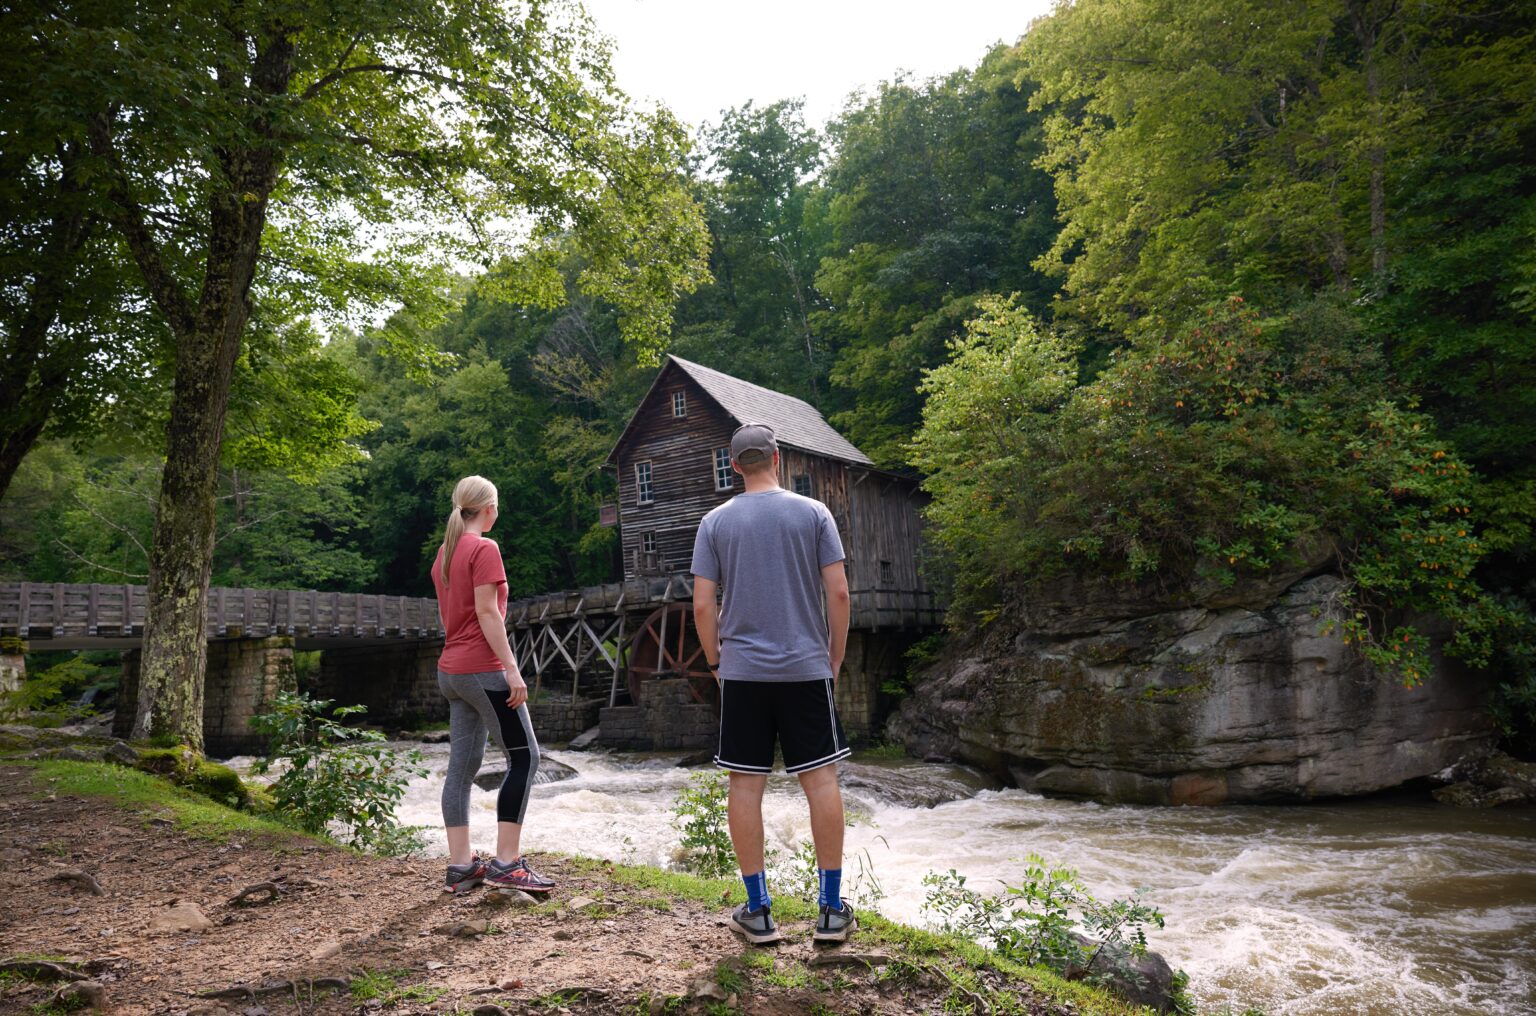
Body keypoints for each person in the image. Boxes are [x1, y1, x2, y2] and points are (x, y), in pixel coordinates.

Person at [691, 423, 856, 945]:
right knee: (822, 783)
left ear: (735, 466)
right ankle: (830, 912)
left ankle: (758, 911)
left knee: (745, 785)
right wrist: (833, 658)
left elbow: (701, 605)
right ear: (778, 458)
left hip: (742, 674)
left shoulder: (714, 522)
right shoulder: (813, 513)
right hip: (806, 668)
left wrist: (717, 664)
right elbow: (840, 595)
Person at [431, 475, 555, 895]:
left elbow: (453, 619)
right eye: (497, 506)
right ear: (488, 509)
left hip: (451, 671)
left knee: (461, 771)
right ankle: (506, 863)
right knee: (526, 759)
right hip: (483, 671)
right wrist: (512, 669)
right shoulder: (485, 548)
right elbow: (488, 614)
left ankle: (461, 866)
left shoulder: (444, 554)